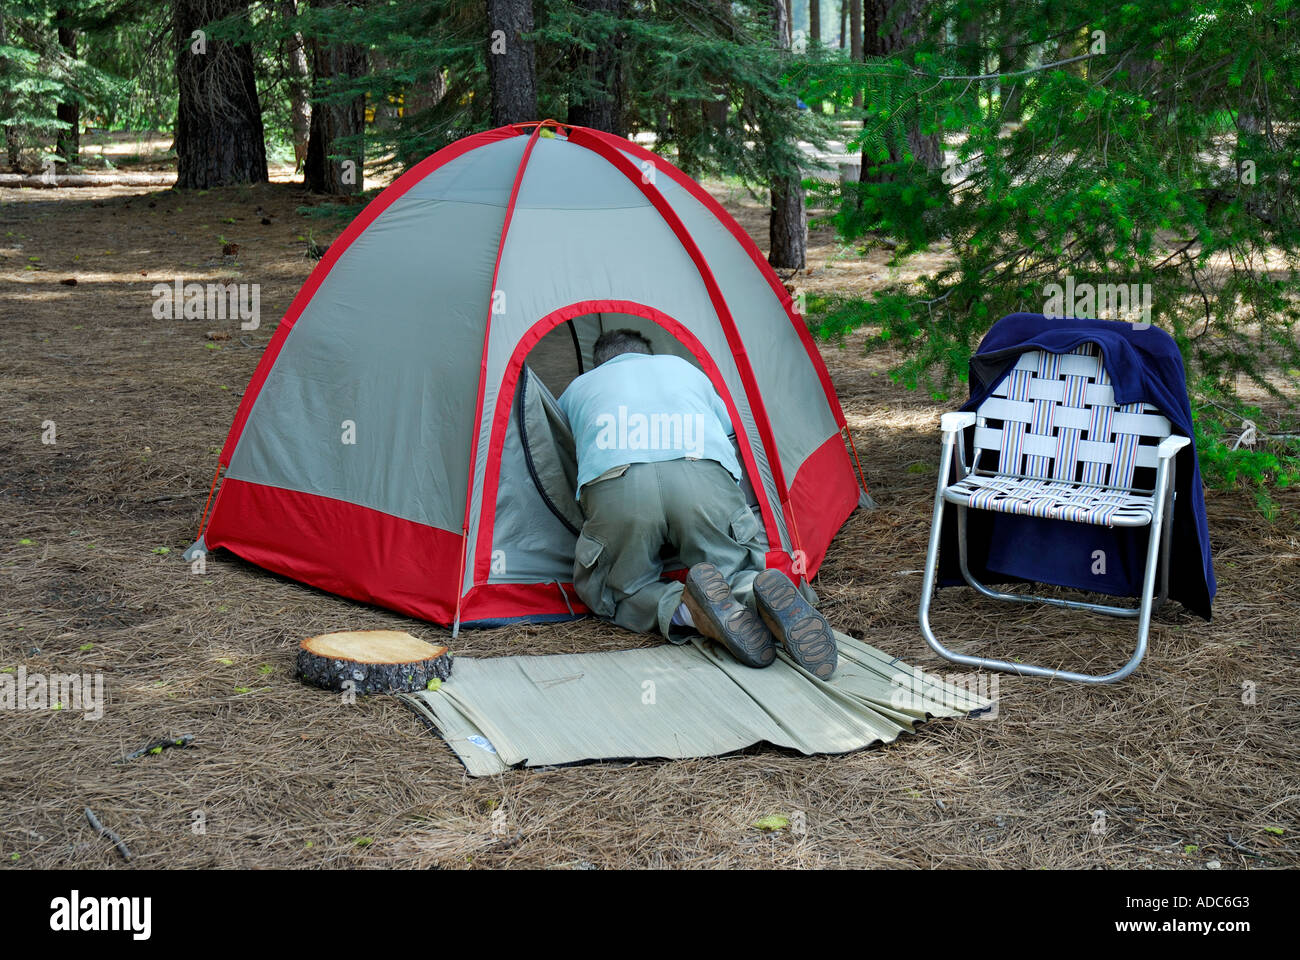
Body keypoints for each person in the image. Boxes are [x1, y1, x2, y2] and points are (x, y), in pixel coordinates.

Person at [556, 328, 838, 679]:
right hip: (700, 474)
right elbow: (730, 433)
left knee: (620, 590)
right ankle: (753, 593)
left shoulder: (579, 388)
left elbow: (563, 454)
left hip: (621, 486)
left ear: (600, 364)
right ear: (648, 353)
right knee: (732, 566)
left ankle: (688, 611)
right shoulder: (685, 369)